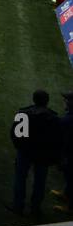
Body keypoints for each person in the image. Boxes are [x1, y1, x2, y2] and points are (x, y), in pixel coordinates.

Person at [8, 90, 63, 218]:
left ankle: (18, 206)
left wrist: (20, 148)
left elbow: (15, 134)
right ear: (47, 101)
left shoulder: (24, 113)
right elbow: (57, 140)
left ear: (33, 99)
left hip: (25, 152)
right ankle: (35, 208)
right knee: (40, 182)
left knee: (20, 178)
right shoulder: (53, 117)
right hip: (43, 155)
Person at [54, 91, 73, 214]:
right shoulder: (68, 118)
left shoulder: (67, 120)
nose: (64, 102)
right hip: (69, 154)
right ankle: (66, 195)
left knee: (71, 178)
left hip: (70, 155)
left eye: (66, 100)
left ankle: (70, 208)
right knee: (69, 177)